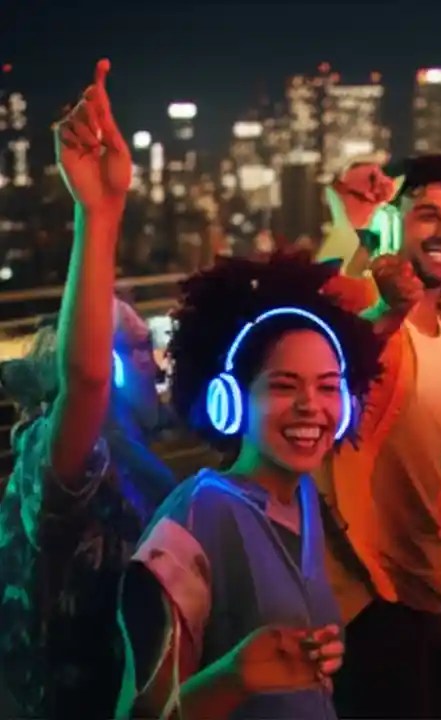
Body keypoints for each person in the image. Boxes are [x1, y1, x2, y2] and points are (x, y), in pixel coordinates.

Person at [115, 252, 383, 719]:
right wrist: (234, 678)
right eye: (283, 386)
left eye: (327, 386)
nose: (311, 406)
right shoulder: (196, 518)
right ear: (229, 398)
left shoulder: (301, 494)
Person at [0, 60, 177, 720]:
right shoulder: (61, 458)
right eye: (131, 347)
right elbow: (88, 380)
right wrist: (99, 213)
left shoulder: (139, 457)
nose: (149, 359)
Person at [317, 154, 441, 717]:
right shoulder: (363, 306)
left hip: (435, 596)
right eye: (428, 216)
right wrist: (355, 224)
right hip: (365, 597)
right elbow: (326, 356)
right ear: (397, 225)